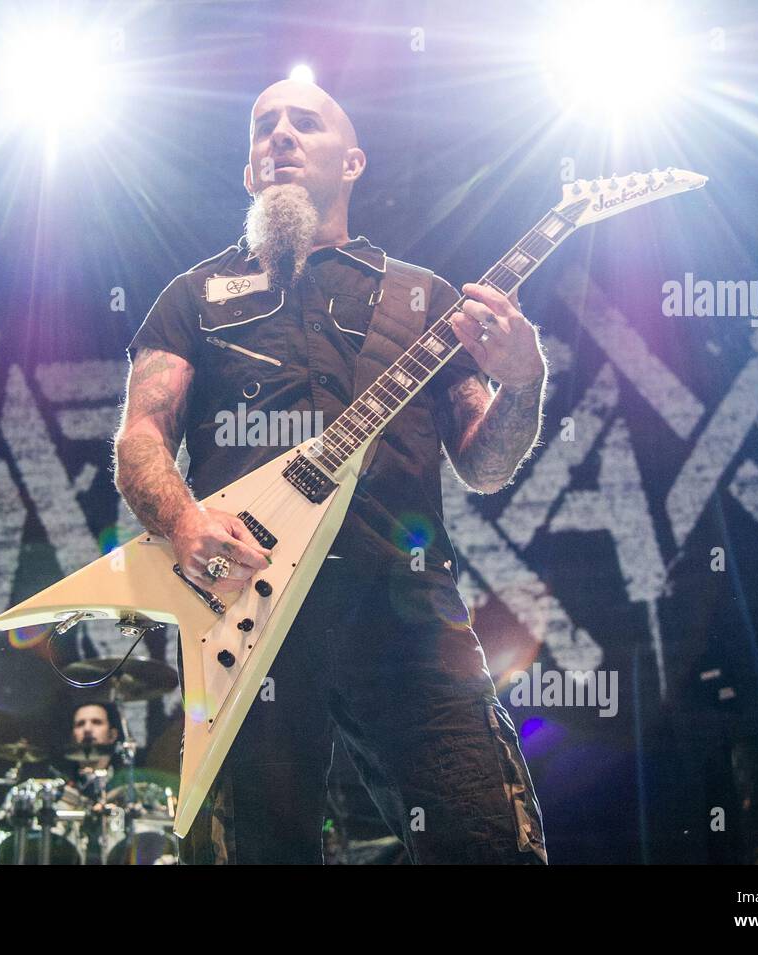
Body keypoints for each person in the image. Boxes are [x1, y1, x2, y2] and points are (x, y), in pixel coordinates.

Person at [114, 78, 549, 864]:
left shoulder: (426, 299)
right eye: (263, 127)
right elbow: (142, 433)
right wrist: (183, 522)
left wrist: (523, 381)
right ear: (249, 171)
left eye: (303, 124)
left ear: (352, 162)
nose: (279, 135)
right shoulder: (194, 297)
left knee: (489, 845)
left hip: (406, 610)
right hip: (249, 616)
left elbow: (486, 462)